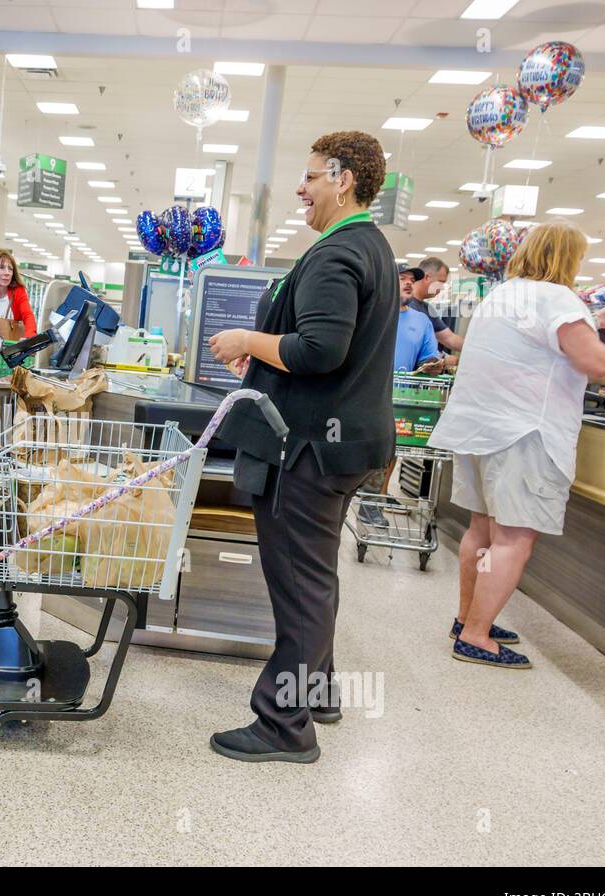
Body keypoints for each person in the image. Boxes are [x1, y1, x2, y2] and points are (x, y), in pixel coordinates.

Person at [206, 130, 398, 765]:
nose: (300, 187)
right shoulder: (370, 248)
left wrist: (243, 339)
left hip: (309, 448)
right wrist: (262, 363)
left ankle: (285, 727)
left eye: (311, 175)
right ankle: (316, 692)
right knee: (316, 577)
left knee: (299, 582)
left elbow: (320, 350)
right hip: (343, 442)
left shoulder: (338, 253)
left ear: (343, 179)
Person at [428, 222, 605, 669]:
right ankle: (477, 636)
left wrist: (592, 321)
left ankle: (468, 619)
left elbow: (535, 339)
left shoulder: (503, 294)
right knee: (513, 538)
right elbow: (593, 362)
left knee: (481, 529)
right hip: (525, 435)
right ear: (568, 258)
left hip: (481, 430)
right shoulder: (558, 296)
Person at [356, 263, 441, 527]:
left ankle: (372, 503)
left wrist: (434, 365)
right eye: (401, 278)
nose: (407, 283)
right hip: (366, 394)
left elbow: (428, 358)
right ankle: (365, 501)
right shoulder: (371, 313)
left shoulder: (422, 321)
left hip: (400, 398)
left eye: (410, 280)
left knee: (388, 452)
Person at [410, 255, 464, 352]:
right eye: (441, 282)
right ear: (426, 277)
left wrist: (476, 349)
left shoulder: (427, 309)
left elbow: (449, 338)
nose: (443, 287)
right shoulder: (403, 306)